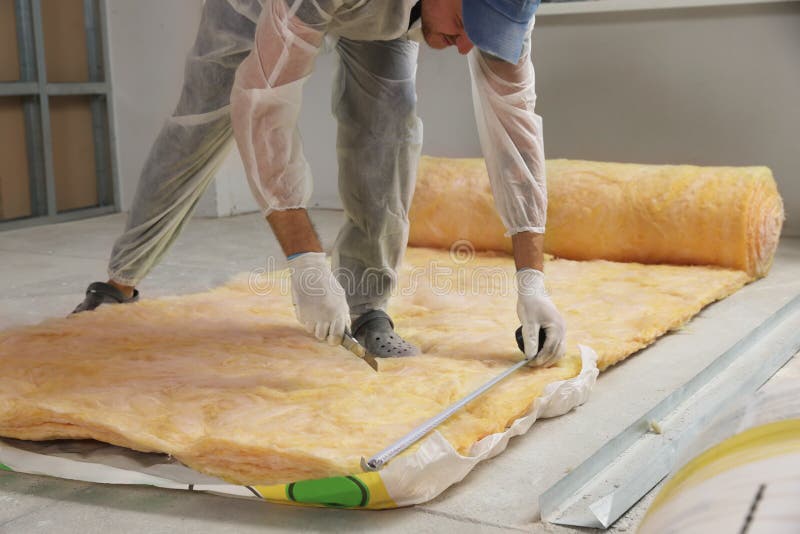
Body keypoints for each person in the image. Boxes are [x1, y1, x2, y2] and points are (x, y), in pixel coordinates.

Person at [74, 0, 566, 367]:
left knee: (388, 126)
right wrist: (305, 262)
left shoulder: (506, 13)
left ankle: (367, 306)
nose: (465, 46)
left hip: (390, 11)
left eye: (482, 34)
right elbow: (262, 103)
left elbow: (516, 135)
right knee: (204, 121)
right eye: (463, 25)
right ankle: (121, 281)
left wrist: (532, 282)